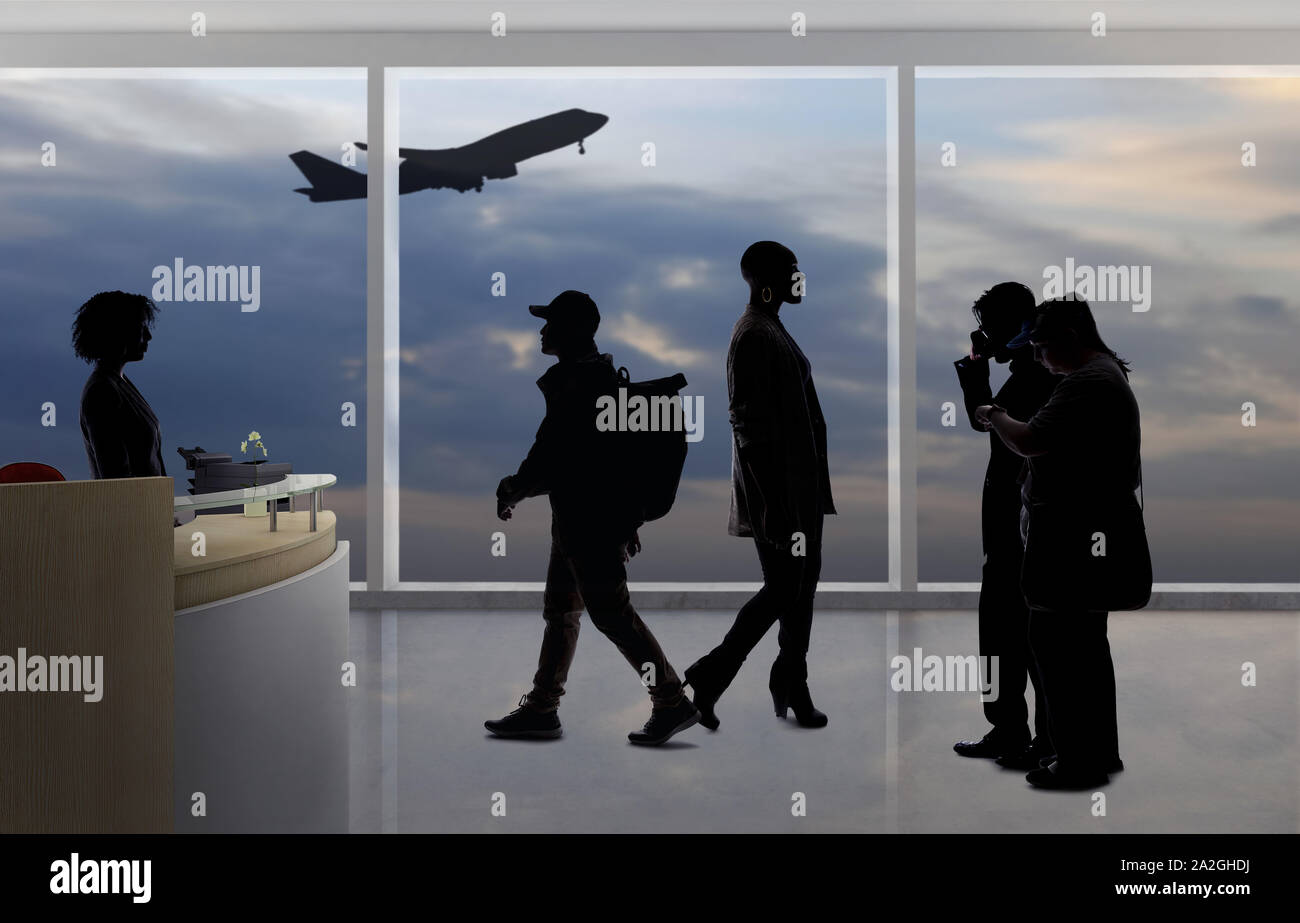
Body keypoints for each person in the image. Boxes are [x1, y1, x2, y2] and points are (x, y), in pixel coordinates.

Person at [485, 290, 700, 746]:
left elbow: (551, 459)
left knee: (611, 615)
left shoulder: (579, 386)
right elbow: (606, 463)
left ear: (574, 330)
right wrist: (631, 520)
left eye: (551, 323)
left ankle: (671, 700)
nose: (542, 331)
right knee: (562, 611)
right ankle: (543, 708)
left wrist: (512, 489)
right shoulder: (597, 380)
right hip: (578, 522)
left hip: (589, 526)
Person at [976, 296, 1139, 789]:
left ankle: (1073, 760)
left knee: (1055, 646)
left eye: (1043, 346)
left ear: (1071, 338)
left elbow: (1027, 439)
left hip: (1070, 533)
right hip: (1092, 530)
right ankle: (1096, 752)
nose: (1039, 357)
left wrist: (991, 412)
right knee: (1085, 647)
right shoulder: (1106, 375)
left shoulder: (1086, 382)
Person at [683, 240, 835, 730]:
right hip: (781, 494)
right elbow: (746, 424)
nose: (799, 277)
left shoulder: (772, 329)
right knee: (785, 586)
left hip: (799, 490)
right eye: (791, 269)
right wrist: (772, 504)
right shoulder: (753, 334)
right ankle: (713, 674)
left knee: (800, 587)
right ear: (765, 279)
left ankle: (791, 681)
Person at [951, 283, 1059, 769]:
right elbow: (987, 421)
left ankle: (1033, 736)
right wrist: (978, 366)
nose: (984, 335)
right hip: (1011, 521)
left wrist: (979, 374)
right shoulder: (1028, 368)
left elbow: (988, 421)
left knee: (1017, 629)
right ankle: (1016, 731)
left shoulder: (1038, 370)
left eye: (991, 326)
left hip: (1022, 522)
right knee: (1005, 628)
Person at [73, 291, 168, 481]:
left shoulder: (118, 383)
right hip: (129, 508)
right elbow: (116, 477)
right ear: (121, 331)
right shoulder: (102, 391)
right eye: (142, 327)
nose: (148, 336)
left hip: (145, 505)